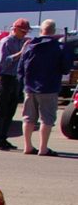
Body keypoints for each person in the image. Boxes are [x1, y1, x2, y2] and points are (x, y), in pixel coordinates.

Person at [17, 19, 71, 156]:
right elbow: (65, 68)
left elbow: (20, 68)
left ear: (41, 30)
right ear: (53, 31)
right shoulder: (58, 48)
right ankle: (43, 148)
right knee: (47, 118)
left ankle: (27, 146)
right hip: (49, 87)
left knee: (28, 118)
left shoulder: (29, 46)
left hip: (29, 87)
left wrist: (24, 83)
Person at [0, 18, 30, 151]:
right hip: (4, 78)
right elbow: (3, 62)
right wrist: (20, 53)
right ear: (15, 29)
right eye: (22, 31)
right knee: (0, 111)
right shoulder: (6, 42)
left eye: (26, 31)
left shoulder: (22, 42)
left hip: (16, 79)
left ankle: (3, 139)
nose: (24, 34)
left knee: (10, 111)